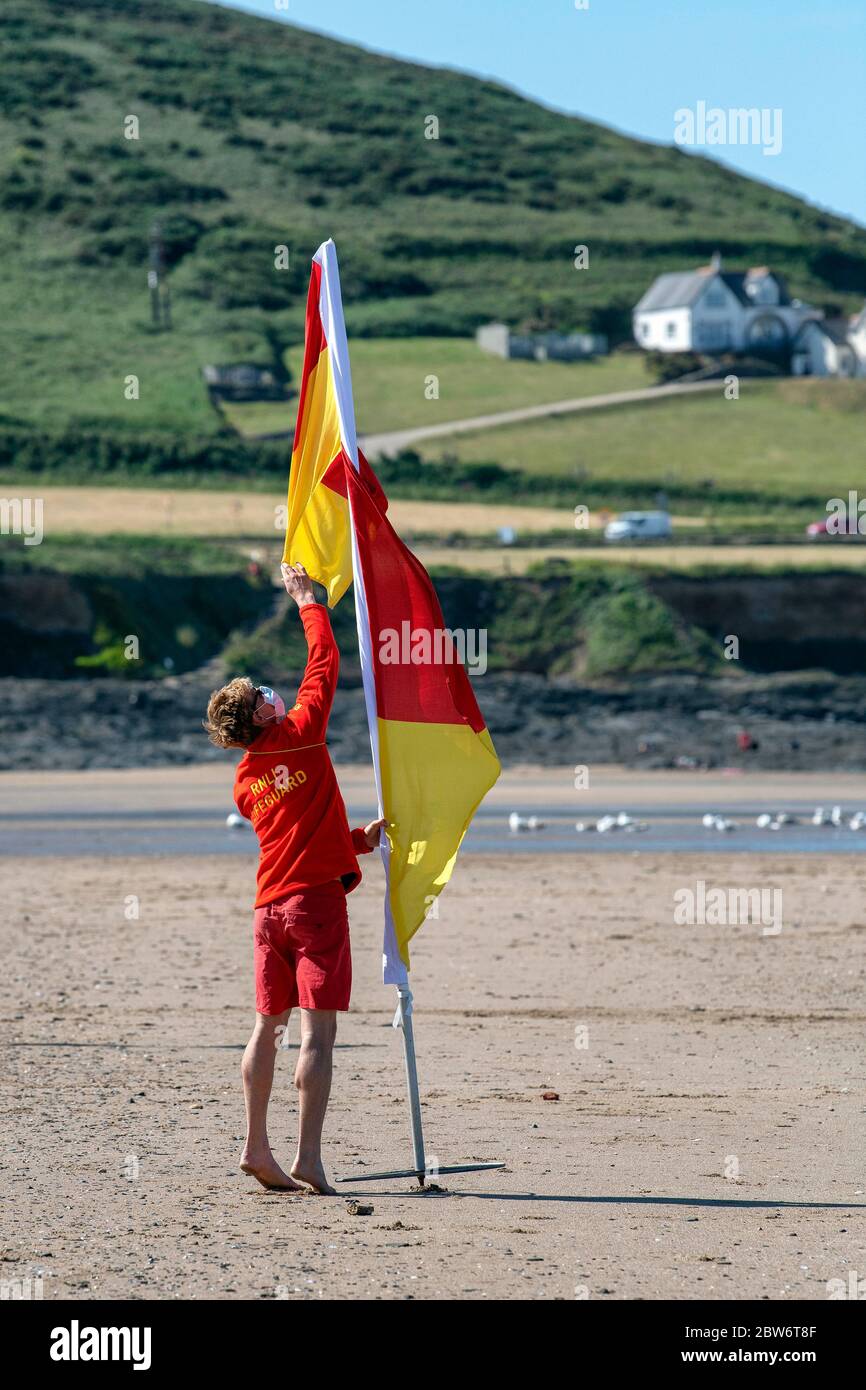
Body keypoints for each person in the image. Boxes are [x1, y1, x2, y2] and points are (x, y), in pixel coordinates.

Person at [204, 562, 385, 1194]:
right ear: (259, 716)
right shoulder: (302, 735)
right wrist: (306, 599)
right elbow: (325, 661)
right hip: (312, 908)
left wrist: (358, 840)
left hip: (267, 911)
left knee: (266, 1027)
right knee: (319, 1034)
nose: (269, 692)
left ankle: (256, 1145)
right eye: (259, 693)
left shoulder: (245, 780)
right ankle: (307, 1158)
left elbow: (296, 834)